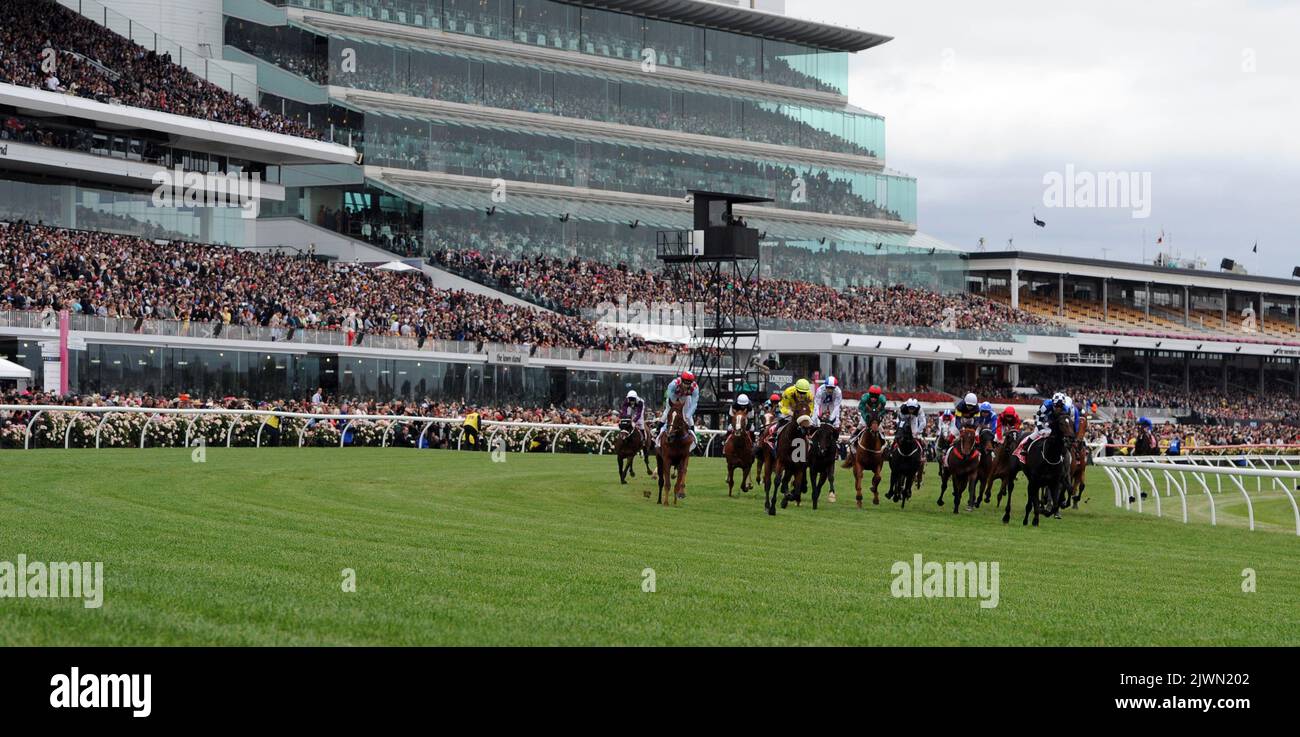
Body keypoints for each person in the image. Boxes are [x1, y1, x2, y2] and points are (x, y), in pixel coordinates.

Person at [657, 371, 699, 448]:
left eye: (688, 383)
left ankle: (694, 439)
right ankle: (657, 433)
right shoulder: (674, 384)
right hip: (673, 396)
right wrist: (674, 406)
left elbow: (694, 404)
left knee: (688, 417)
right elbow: (668, 395)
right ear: (682, 380)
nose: (686, 385)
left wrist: (687, 415)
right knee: (666, 414)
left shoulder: (695, 388)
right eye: (685, 383)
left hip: (685, 398)